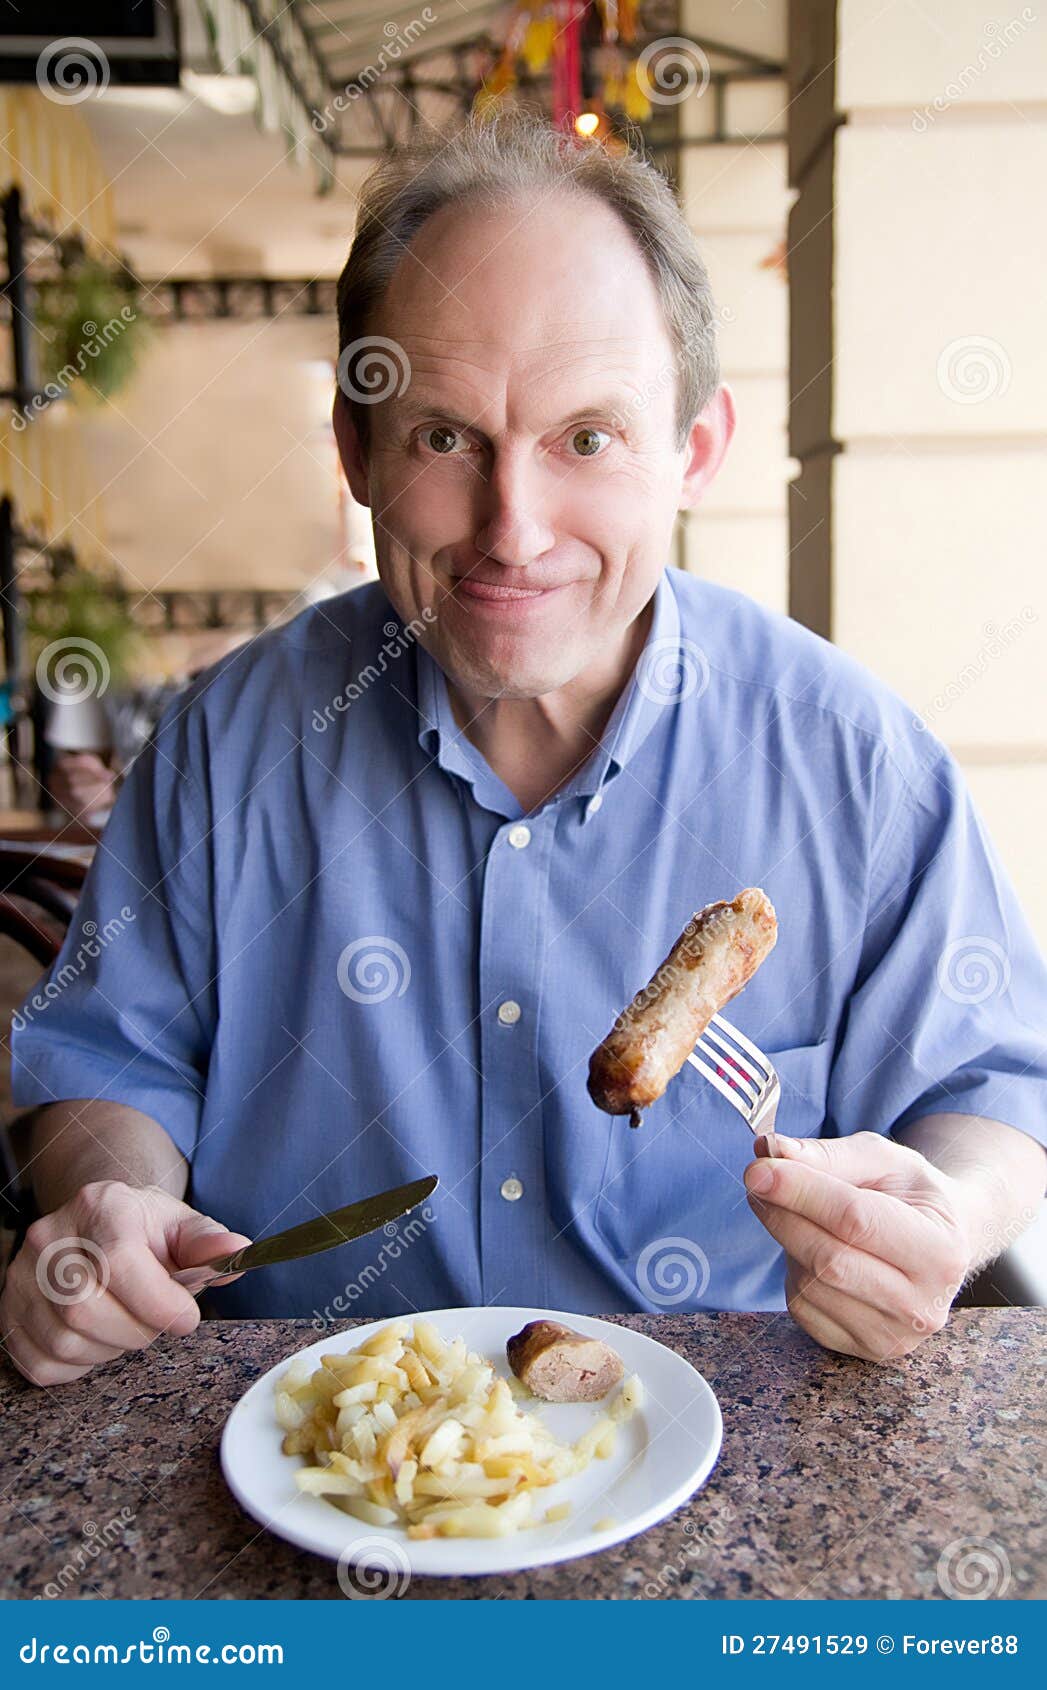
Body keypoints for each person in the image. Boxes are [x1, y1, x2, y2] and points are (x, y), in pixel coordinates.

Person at [4, 115, 1045, 1388]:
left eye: (587, 438)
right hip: (306, 1438)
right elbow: (112, 1062)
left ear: (692, 453)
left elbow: (993, 1083)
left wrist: (950, 1213)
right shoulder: (227, 747)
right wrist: (110, 1202)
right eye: (446, 436)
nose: (515, 528)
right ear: (358, 453)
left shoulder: (853, 761)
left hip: (719, 1453)